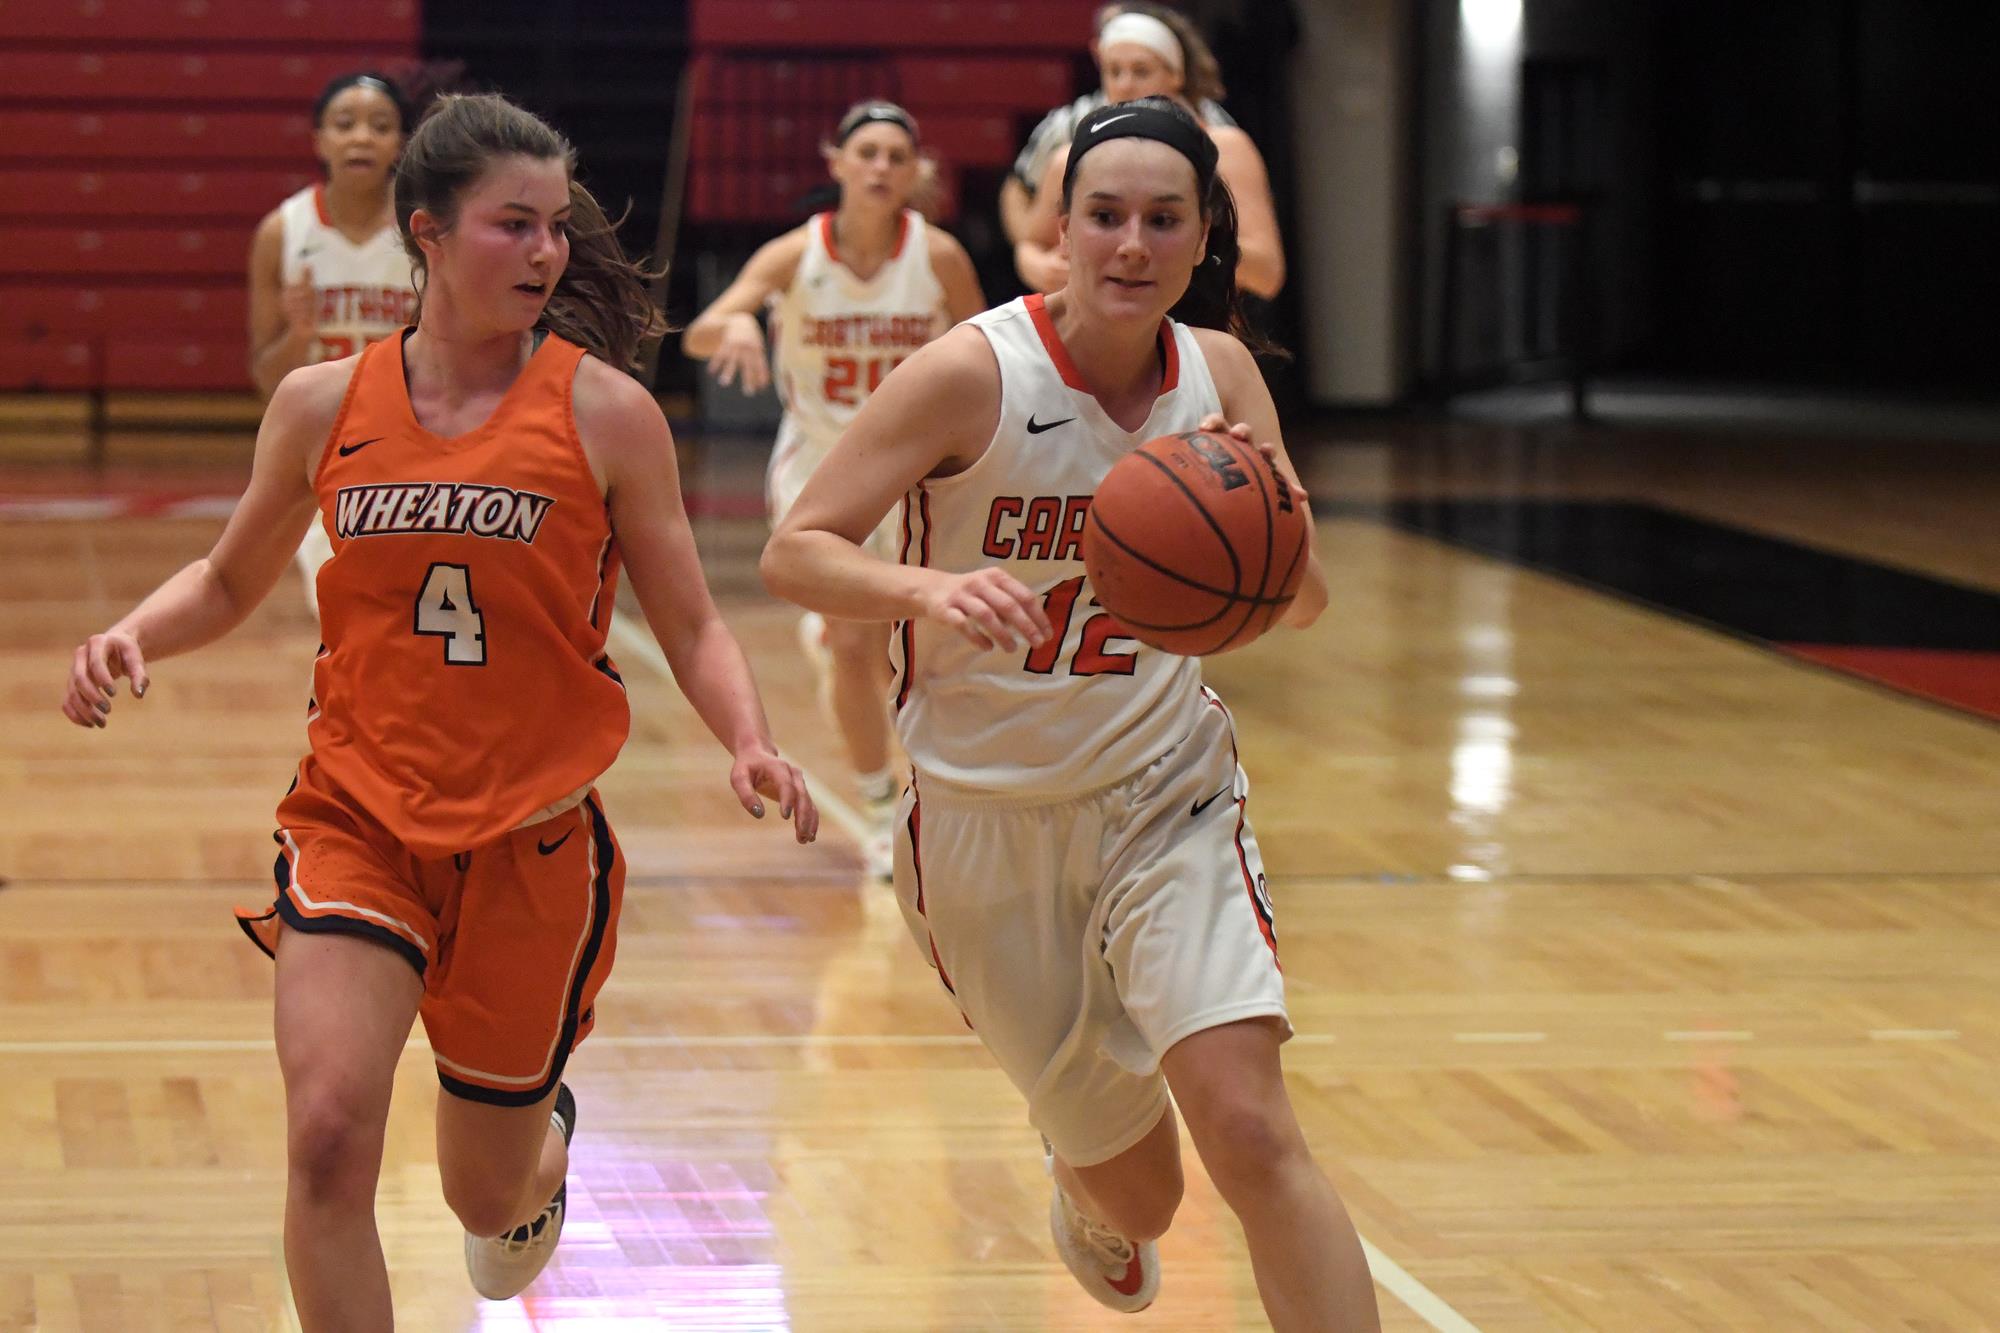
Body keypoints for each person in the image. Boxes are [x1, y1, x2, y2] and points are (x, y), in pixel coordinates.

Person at [62, 92, 819, 1327]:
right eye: (512, 225)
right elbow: (228, 578)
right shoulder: (321, 403)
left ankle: (539, 1159)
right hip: (356, 818)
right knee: (325, 1136)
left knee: (482, 1194)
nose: (545, 250)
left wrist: (749, 738)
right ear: (426, 232)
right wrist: (133, 632)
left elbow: (689, 622)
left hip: (529, 840)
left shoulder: (606, 413)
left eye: (555, 227)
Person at [763, 98, 1378, 1330]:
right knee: (1144, 1197)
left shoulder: (1220, 374)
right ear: (1058, 230)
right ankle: (1084, 1180)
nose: (1130, 245)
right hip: (982, 822)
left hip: (1164, 793)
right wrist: (923, 587)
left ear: (1203, 237)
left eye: (1162, 219)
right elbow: (795, 550)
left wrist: (1264, 506)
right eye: (1103, 216)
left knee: (1250, 1131)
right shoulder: (972, 374)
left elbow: (1300, 604)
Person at [683, 100, 985, 878]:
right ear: (837, 162)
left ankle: (940, 783)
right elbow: (703, 329)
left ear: (915, 172)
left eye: (896, 156)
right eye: (868, 153)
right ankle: (882, 807)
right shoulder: (794, 256)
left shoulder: (939, 257)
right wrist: (736, 326)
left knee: (916, 648)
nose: (881, 167)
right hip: (822, 472)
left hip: (916, 472)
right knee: (855, 641)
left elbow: (993, 354)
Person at [248, 70, 422, 616]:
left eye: (380, 126)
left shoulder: (425, 232)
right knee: (343, 616)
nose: (361, 137)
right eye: (345, 124)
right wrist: (299, 334)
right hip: (324, 450)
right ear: (319, 140)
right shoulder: (282, 231)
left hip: (416, 444)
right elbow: (265, 378)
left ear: (401, 143)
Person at [1008, 5, 1285, 301]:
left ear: (1176, 74)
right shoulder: (1071, 154)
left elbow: (1268, 274)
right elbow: (1029, 245)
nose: (1125, 85)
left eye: (1141, 71)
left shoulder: (1225, 147)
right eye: (1114, 72)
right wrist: (1041, 268)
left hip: (1197, 321)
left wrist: (1190, 244)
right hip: (1102, 325)